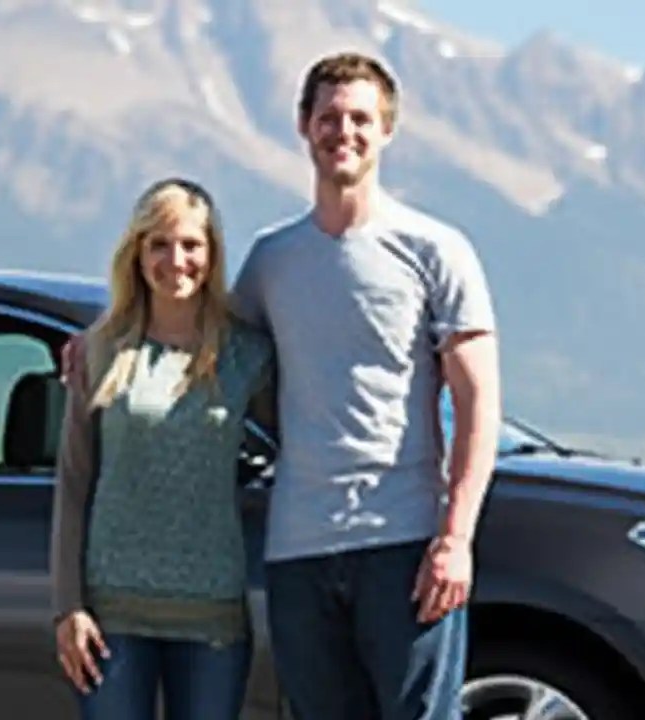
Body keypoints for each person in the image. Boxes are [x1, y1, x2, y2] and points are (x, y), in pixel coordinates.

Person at [227, 51, 502, 720]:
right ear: (303, 125)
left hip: (404, 542)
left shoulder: (435, 249)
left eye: (359, 119)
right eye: (329, 117)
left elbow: (478, 403)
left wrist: (454, 539)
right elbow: (210, 356)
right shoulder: (271, 261)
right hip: (298, 546)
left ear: (386, 131)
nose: (342, 132)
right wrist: (104, 340)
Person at [50, 178, 275, 720]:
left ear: (212, 255)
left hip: (213, 618)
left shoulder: (247, 355)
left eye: (191, 245)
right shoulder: (99, 351)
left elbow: (302, 441)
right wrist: (68, 608)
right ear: (137, 252)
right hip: (111, 617)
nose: (176, 261)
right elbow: (74, 484)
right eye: (159, 244)